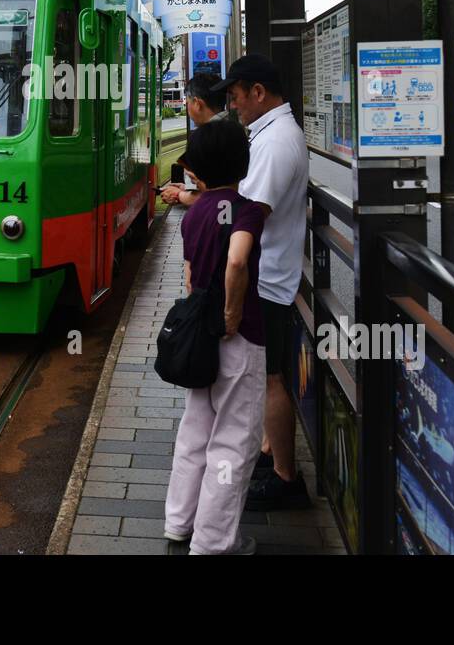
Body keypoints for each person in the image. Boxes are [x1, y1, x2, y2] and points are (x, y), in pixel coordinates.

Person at [163, 119, 267, 555]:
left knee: (195, 431)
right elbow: (238, 262)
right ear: (243, 161)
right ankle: (213, 543)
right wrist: (230, 312)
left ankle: (178, 522)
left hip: (199, 337)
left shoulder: (196, 209)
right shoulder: (247, 208)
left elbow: (190, 274)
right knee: (233, 439)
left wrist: (206, 315)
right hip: (238, 335)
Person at [214, 54, 311, 511]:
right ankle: (271, 455)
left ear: (258, 92)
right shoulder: (273, 134)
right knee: (266, 376)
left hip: (268, 278)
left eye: (236, 97)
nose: (233, 106)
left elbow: (254, 214)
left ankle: (286, 480)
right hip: (269, 273)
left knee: (271, 379)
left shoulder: (276, 143)